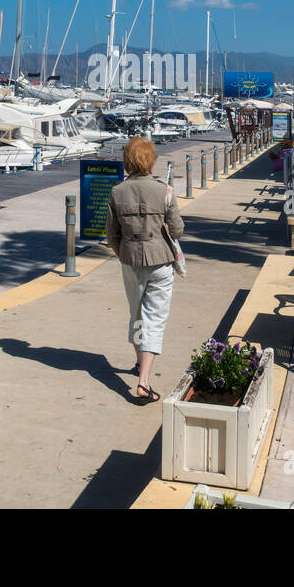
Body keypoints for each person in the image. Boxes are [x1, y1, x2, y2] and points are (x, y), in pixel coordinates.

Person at [105, 136, 184, 403]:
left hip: (130, 261)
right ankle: (144, 382)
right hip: (160, 260)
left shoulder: (117, 192)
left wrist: (124, 253)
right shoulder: (164, 190)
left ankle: (140, 363)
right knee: (155, 318)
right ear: (150, 161)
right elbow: (178, 228)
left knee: (137, 314)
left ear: (127, 161)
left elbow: (111, 234)